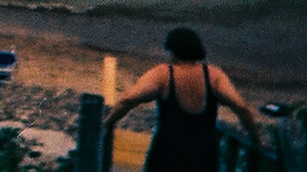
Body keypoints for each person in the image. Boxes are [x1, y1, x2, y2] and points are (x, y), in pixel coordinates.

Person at [104, 27, 261, 172]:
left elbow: (129, 100)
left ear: (172, 50)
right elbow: (241, 108)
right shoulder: (213, 75)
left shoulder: (163, 74)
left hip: (166, 154)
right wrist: (255, 139)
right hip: (203, 155)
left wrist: (108, 123)